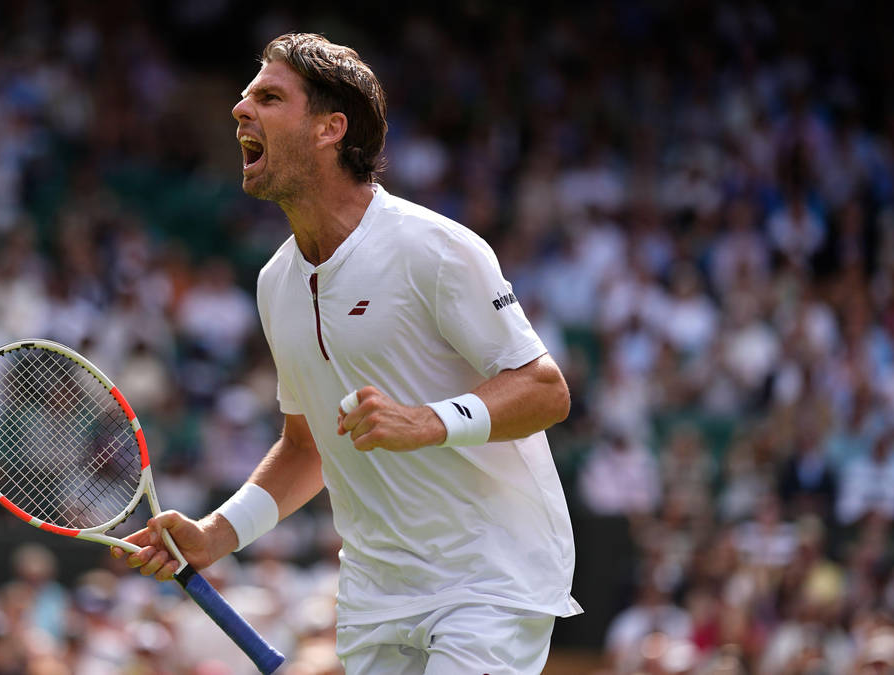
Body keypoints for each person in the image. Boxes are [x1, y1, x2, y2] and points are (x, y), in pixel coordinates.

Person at [114, 33, 580, 674]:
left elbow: (545, 390)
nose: (239, 110)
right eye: (246, 96)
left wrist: (428, 421)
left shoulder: (435, 249)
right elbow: (307, 447)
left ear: (331, 128)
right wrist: (216, 534)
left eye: (269, 97)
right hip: (374, 592)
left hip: (489, 576)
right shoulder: (275, 283)